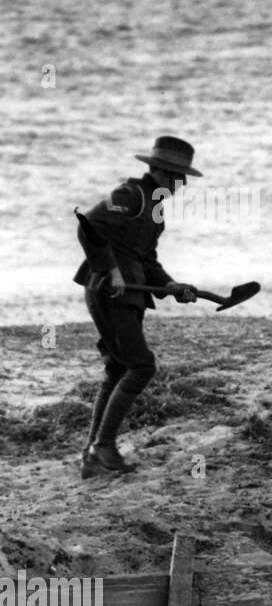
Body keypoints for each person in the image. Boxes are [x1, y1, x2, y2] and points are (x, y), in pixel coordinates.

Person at [73, 136, 202, 476]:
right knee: (141, 366)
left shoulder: (154, 204)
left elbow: (145, 257)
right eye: (177, 175)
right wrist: (110, 270)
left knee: (118, 367)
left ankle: (93, 453)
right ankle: (103, 447)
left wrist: (170, 285)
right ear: (158, 171)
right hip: (110, 290)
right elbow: (88, 226)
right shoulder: (129, 195)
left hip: (128, 292)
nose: (182, 183)